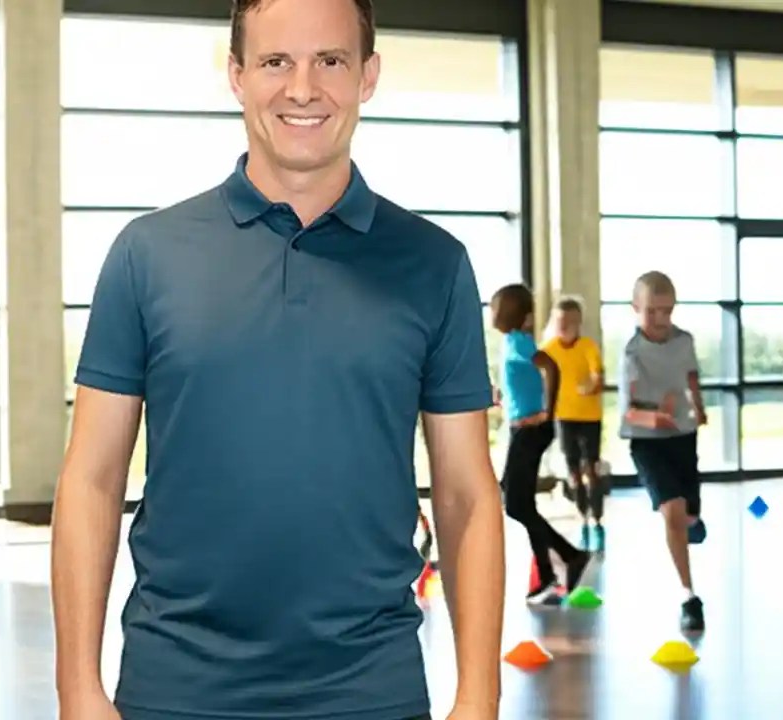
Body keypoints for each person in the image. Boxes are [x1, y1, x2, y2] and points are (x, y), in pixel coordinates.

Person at [50, 1, 505, 719]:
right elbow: (91, 479)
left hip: (371, 690)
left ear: (368, 76)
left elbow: (467, 495)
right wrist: (77, 686)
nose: (302, 89)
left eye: (330, 61)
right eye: (275, 62)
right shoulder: (147, 255)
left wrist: (480, 694)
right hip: (176, 688)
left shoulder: (435, 265)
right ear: (236, 76)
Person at [618, 271, 708, 633]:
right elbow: (628, 410)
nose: (660, 320)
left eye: (667, 311)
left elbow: (690, 376)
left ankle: (690, 521)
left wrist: (697, 408)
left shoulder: (684, 340)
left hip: (683, 436)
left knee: (687, 515)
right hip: (647, 441)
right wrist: (655, 415)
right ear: (635, 309)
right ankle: (689, 596)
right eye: (651, 311)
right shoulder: (632, 352)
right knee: (672, 510)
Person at [491, 284, 591, 606]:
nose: (493, 313)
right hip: (521, 428)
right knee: (516, 499)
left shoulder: (519, 340)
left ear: (522, 316)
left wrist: (548, 412)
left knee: (517, 505)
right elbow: (522, 381)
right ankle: (556, 565)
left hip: (532, 429)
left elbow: (550, 366)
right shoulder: (510, 342)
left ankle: (563, 561)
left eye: (499, 308)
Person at [541, 297, 607, 552]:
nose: (564, 326)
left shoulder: (588, 346)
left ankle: (598, 522)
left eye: (569, 322)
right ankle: (582, 521)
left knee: (592, 470)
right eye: (560, 321)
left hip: (589, 417)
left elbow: (597, 376)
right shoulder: (548, 349)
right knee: (574, 474)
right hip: (564, 418)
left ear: (579, 323)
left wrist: (592, 385)